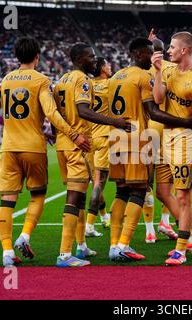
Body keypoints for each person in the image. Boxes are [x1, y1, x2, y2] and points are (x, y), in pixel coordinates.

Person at [0, 37, 90, 267]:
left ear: (17, 56)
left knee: (7, 201)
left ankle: (7, 251)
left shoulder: (6, 80)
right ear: (37, 55)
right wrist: (72, 134)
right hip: (32, 147)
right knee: (38, 195)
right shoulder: (40, 80)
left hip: (8, 146)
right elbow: (51, 113)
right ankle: (25, 235)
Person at [108, 37, 192, 263]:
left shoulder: (115, 76)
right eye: (151, 53)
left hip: (116, 137)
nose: (154, 56)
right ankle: (124, 244)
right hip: (140, 136)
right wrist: (186, 122)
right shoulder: (145, 76)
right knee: (140, 191)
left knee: (122, 192)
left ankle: (114, 244)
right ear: (140, 54)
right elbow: (154, 111)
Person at [53, 43, 131, 267]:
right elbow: (83, 111)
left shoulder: (61, 81)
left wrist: (56, 134)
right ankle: (65, 255)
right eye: (91, 56)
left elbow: (56, 113)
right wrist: (115, 121)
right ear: (79, 58)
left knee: (77, 196)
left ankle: (81, 246)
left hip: (63, 143)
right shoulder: (82, 80)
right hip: (80, 143)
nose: (94, 60)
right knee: (75, 197)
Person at [152, 31, 192, 266]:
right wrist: (157, 71)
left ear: (184, 50)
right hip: (164, 139)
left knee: (183, 197)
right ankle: (187, 241)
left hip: (185, 142)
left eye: (173, 47)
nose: (169, 51)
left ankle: (181, 249)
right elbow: (157, 99)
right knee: (161, 192)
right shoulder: (166, 70)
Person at [145, 30, 179, 244]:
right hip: (167, 128)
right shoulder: (172, 69)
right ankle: (165, 221)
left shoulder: (139, 70)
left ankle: (149, 231)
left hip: (147, 129)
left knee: (146, 182)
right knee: (169, 180)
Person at [85, 57, 113, 238]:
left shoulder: (86, 86)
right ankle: (89, 224)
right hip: (104, 137)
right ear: (102, 68)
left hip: (88, 139)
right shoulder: (111, 85)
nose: (110, 67)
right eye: (108, 64)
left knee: (94, 182)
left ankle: (104, 217)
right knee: (99, 184)